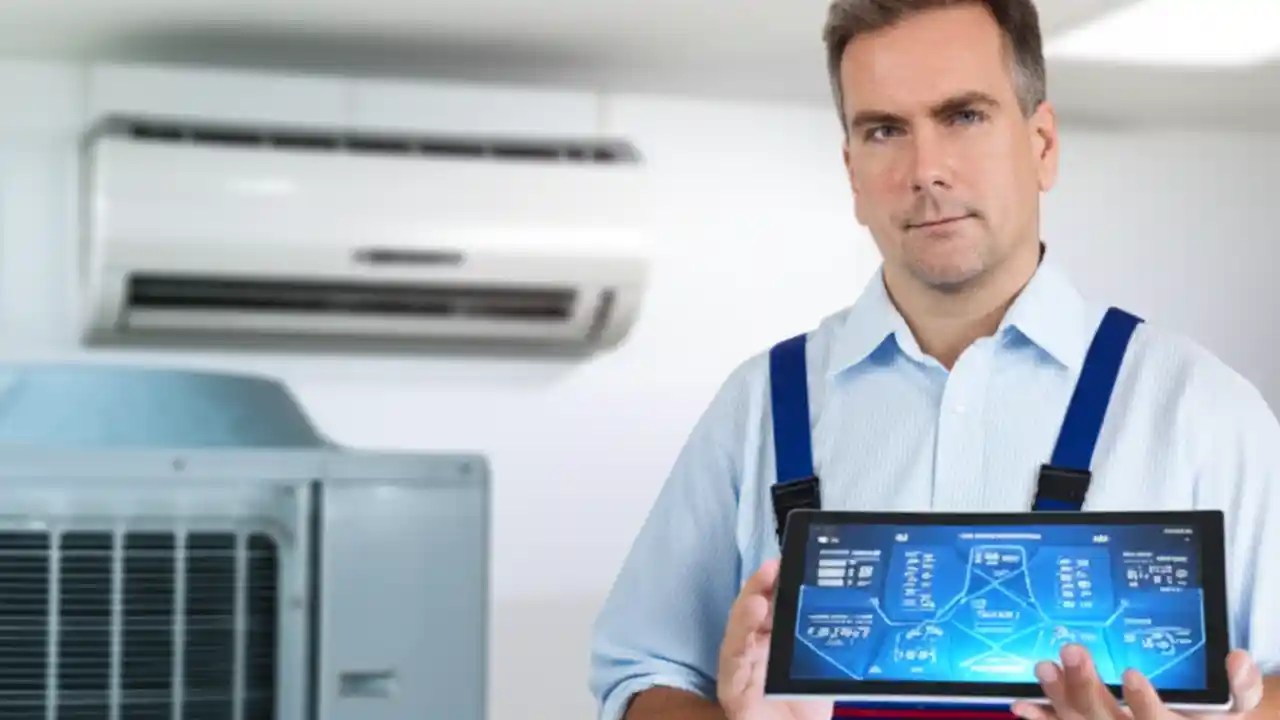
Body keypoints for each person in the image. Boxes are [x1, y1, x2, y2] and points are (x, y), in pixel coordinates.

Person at [588, 0, 1280, 719]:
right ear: (853, 170)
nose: (926, 170)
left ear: (1042, 144)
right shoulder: (761, 406)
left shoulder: (1200, 409)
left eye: (964, 117)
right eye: (885, 130)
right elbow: (642, 675)